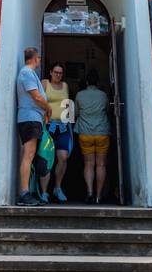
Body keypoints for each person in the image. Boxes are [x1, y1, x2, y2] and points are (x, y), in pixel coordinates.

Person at [16, 46, 51, 206]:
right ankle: (24, 193)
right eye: (39, 58)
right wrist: (48, 108)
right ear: (35, 58)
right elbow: (36, 96)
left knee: (30, 155)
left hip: (33, 119)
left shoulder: (29, 73)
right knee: (28, 155)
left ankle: (28, 192)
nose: (39, 61)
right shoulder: (27, 73)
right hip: (29, 119)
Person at [74, 66, 110, 204]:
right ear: (98, 82)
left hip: (85, 132)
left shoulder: (79, 95)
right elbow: (107, 110)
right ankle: (98, 196)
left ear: (87, 82)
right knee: (101, 165)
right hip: (102, 132)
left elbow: (76, 113)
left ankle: (89, 192)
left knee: (88, 164)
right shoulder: (103, 95)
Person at [43, 63, 74, 203]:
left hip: (63, 127)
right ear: (50, 72)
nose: (58, 75)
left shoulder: (65, 86)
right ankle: (44, 192)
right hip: (48, 126)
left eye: (60, 73)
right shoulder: (45, 84)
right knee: (46, 158)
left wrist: (70, 121)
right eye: (56, 72)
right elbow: (39, 101)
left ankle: (57, 187)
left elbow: (68, 104)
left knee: (63, 157)